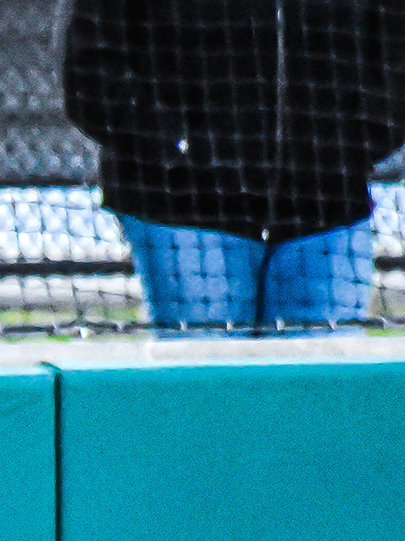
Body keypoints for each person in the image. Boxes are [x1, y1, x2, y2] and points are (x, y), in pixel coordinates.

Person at [63, 0, 405, 330]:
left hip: (328, 210)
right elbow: (90, 66)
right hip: (184, 213)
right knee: (208, 381)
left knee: (321, 384)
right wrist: (173, 148)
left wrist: (351, 145)